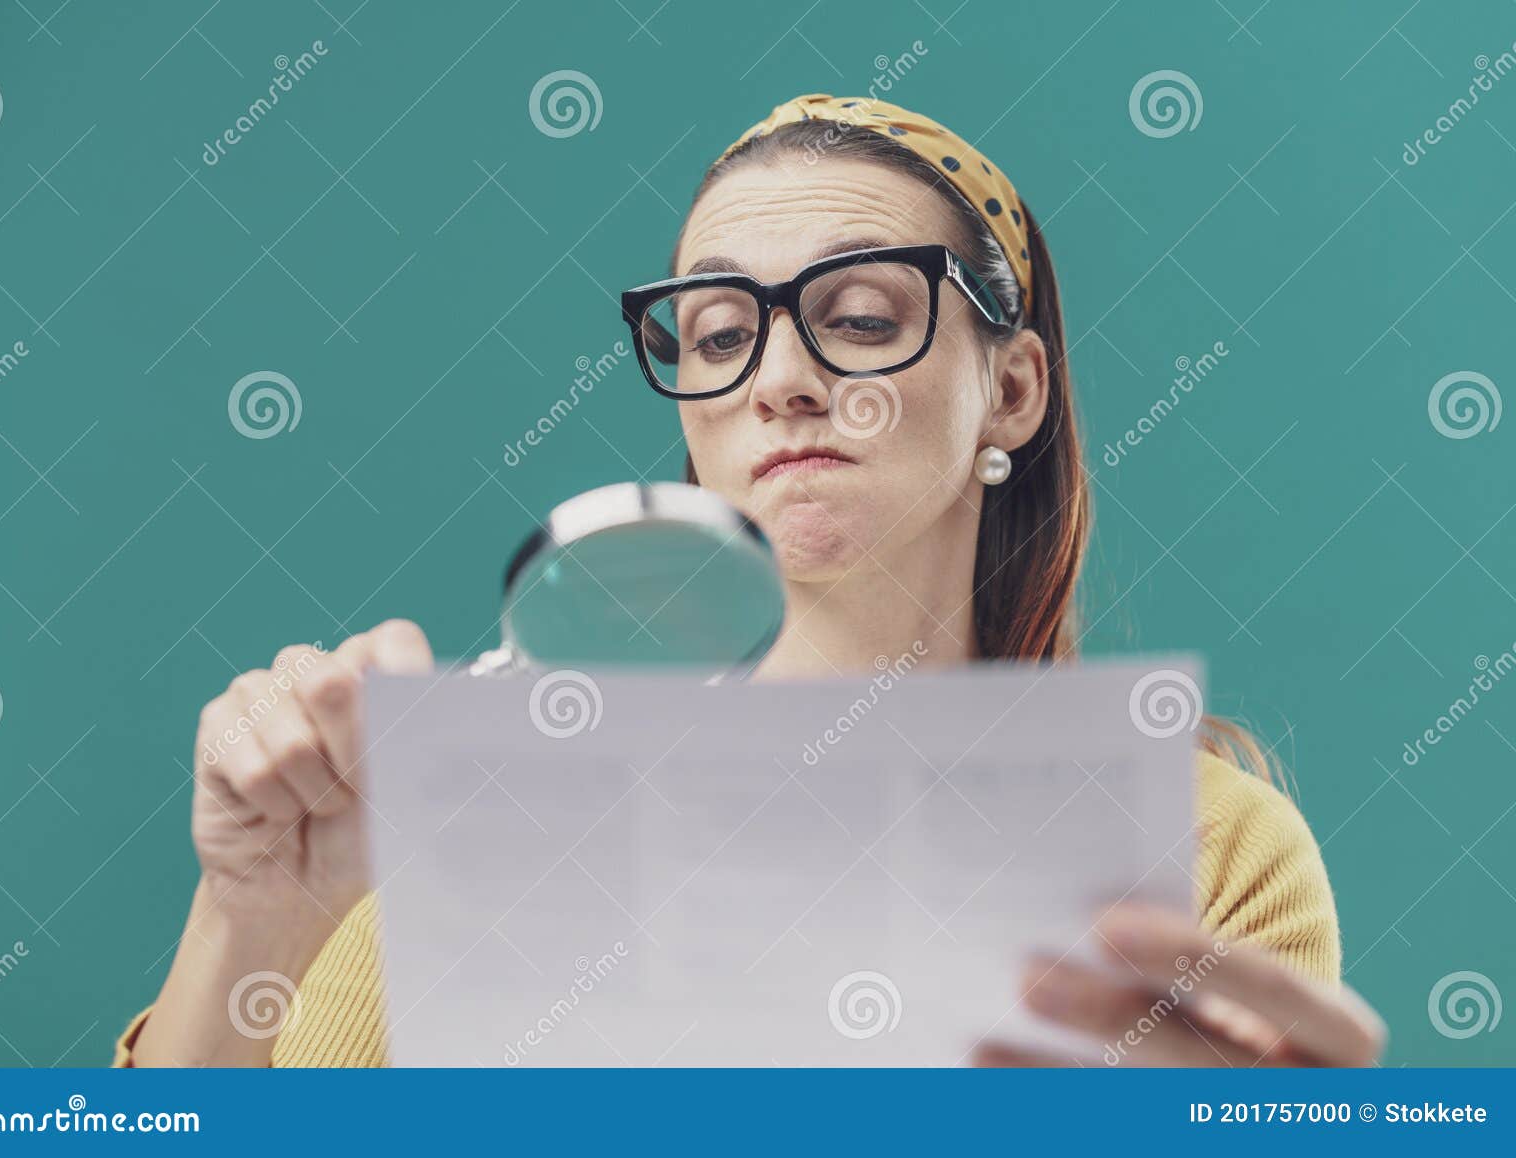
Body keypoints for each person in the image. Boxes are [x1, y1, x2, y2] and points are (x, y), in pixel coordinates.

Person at [118, 93, 1385, 1067]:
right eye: (720, 335)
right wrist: (258, 920)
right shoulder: (455, 820)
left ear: (1009, 391)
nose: (778, 376)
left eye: (862, 315)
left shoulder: (1200, 842)